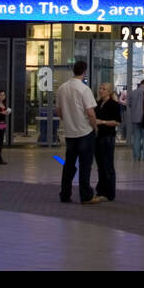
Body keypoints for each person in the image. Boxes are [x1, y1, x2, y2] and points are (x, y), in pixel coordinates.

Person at [54, 61, 99, 204]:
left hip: (69, 132)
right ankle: (85, 195)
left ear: (73, 71)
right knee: (85, 165)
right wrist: (95, 127)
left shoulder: (62, 88)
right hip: (84, 131)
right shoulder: (84, 89)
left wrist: (67, 119)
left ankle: (65, 194)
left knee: (69, 164)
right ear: (84, 72)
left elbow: (59, 111)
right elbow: (90, 112)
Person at [92, 81, 122, 201]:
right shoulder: (98, 104)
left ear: (109, 91)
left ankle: (109, 192)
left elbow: (117, 121)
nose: (100, 90)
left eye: (103, 89)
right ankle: (101, 190)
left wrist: (103, 122)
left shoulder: (114, 105)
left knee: (108, 165)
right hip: (98, 136)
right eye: (100, 88)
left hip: (108, 136)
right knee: (100, 165)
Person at [128, 76, 144, 161]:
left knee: (136, 139)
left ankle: (136, 157)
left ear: (140, 84)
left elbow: (129, 104)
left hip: (135, 119)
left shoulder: (132, 92)